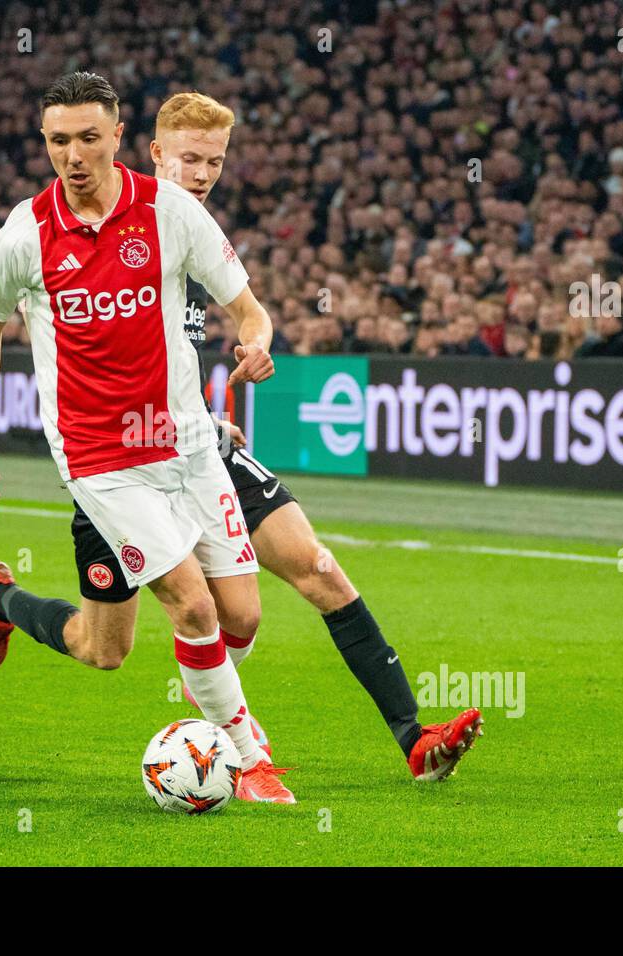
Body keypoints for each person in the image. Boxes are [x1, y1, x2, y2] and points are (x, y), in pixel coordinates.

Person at [76, 90, 482, 782]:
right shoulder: (109, 231)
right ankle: (3, 603)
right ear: (152, 154)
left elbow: (249, 314)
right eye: (190, 159)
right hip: (122, 461)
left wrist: (256, 347)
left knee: (316, 569)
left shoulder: (198, 234)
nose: (203, 174)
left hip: (202, 449)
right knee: (101, 646)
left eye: (215, 162)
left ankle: (415, 741)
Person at [0, 72, 293, 803]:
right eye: (57, 141)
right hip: (102, 460)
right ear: (44, 143)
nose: (73, 156)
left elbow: (248, 308)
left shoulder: (170, 213)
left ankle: (3, 600)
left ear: (118, 137)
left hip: (188, 447)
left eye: (87, 138)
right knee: (195, 606)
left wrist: (257, 342)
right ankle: (247, 758)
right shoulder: (25, 234)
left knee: (201, 623)